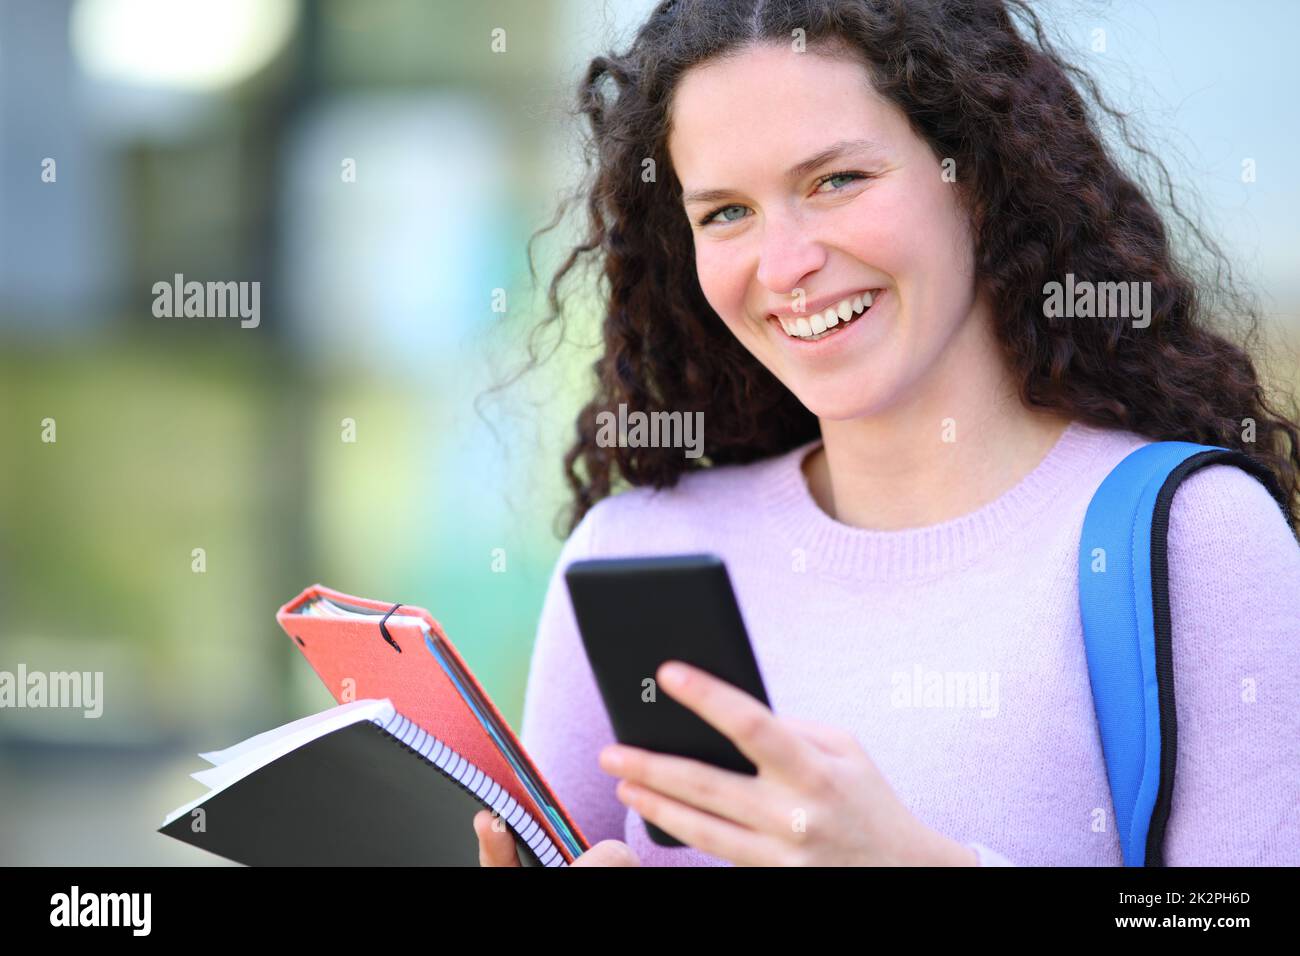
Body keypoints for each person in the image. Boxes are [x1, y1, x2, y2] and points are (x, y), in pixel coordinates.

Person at [477, 0, 1300, 866]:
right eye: (725, 213)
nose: (786, 263)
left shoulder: (1194, 538)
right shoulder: (632, 555)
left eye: (836, 181)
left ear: (975, 173)